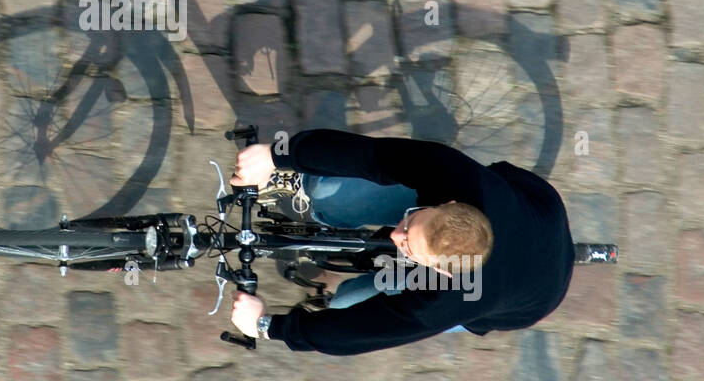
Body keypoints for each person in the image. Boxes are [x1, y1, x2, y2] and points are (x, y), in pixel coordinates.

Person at [227, 129, 575, 355]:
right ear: (449, 204)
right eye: (411, 220)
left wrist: (268, 327)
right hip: (540, 205)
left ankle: (329, 295)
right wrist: (276, 156)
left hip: (535, 297)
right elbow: (370, 156)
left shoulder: (447, 300)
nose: (396, 236)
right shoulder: (456, 176)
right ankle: (308, 198)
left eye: (409, 247)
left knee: (344, 306)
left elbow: (361, 332)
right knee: (329, 194)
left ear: (443, 271)